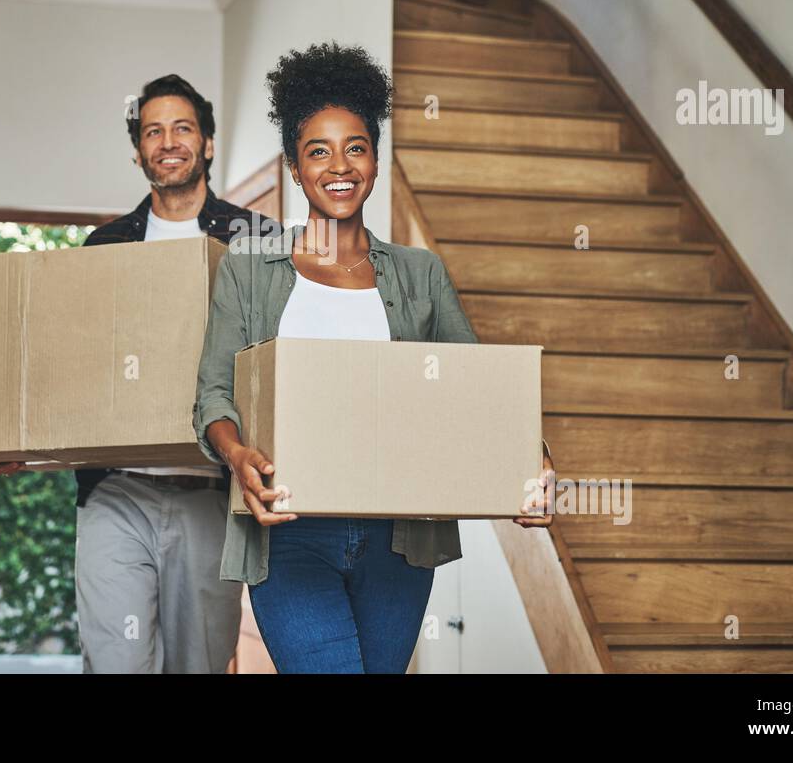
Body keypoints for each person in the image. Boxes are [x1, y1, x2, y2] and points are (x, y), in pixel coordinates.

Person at [193, 42, 555, 674]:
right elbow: (214, 394)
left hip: (401, 536)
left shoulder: (421, 274)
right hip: (288, 530)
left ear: (377, 161)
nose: (339, 165)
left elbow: (478, 391)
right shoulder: (249, 271)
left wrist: (532, 461)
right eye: (318, 151)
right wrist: (237, 453)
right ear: (295, 168)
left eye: (355, 147)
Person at [0, 73, 279, 673]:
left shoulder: (256, 240)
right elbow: (73, 366)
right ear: (138, 150)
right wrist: (20, 440)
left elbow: (274, 361)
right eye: (153, 131)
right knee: (116, 661)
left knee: (199, 665)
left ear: (209, 144)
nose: (168, 141)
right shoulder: (105, 244)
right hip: (116, 493)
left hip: (211, 493)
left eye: (183, 128)